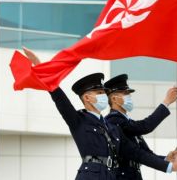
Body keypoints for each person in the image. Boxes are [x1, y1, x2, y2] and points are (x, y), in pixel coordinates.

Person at [21, 48, 120, 180]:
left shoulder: (109, 125)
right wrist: (40, 67)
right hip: (91, 175)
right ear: (87, 98)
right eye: (100, 93)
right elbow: (60, 99)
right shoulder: (78, 120)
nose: (104, 96)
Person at [103, 74, 177, 179]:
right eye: (125, 93)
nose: (129, 96)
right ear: (114, 99)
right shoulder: (113, 120)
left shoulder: (127, 122)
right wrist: (166, 102)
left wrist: (166, 159)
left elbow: (145, 153)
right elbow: (146, 127)